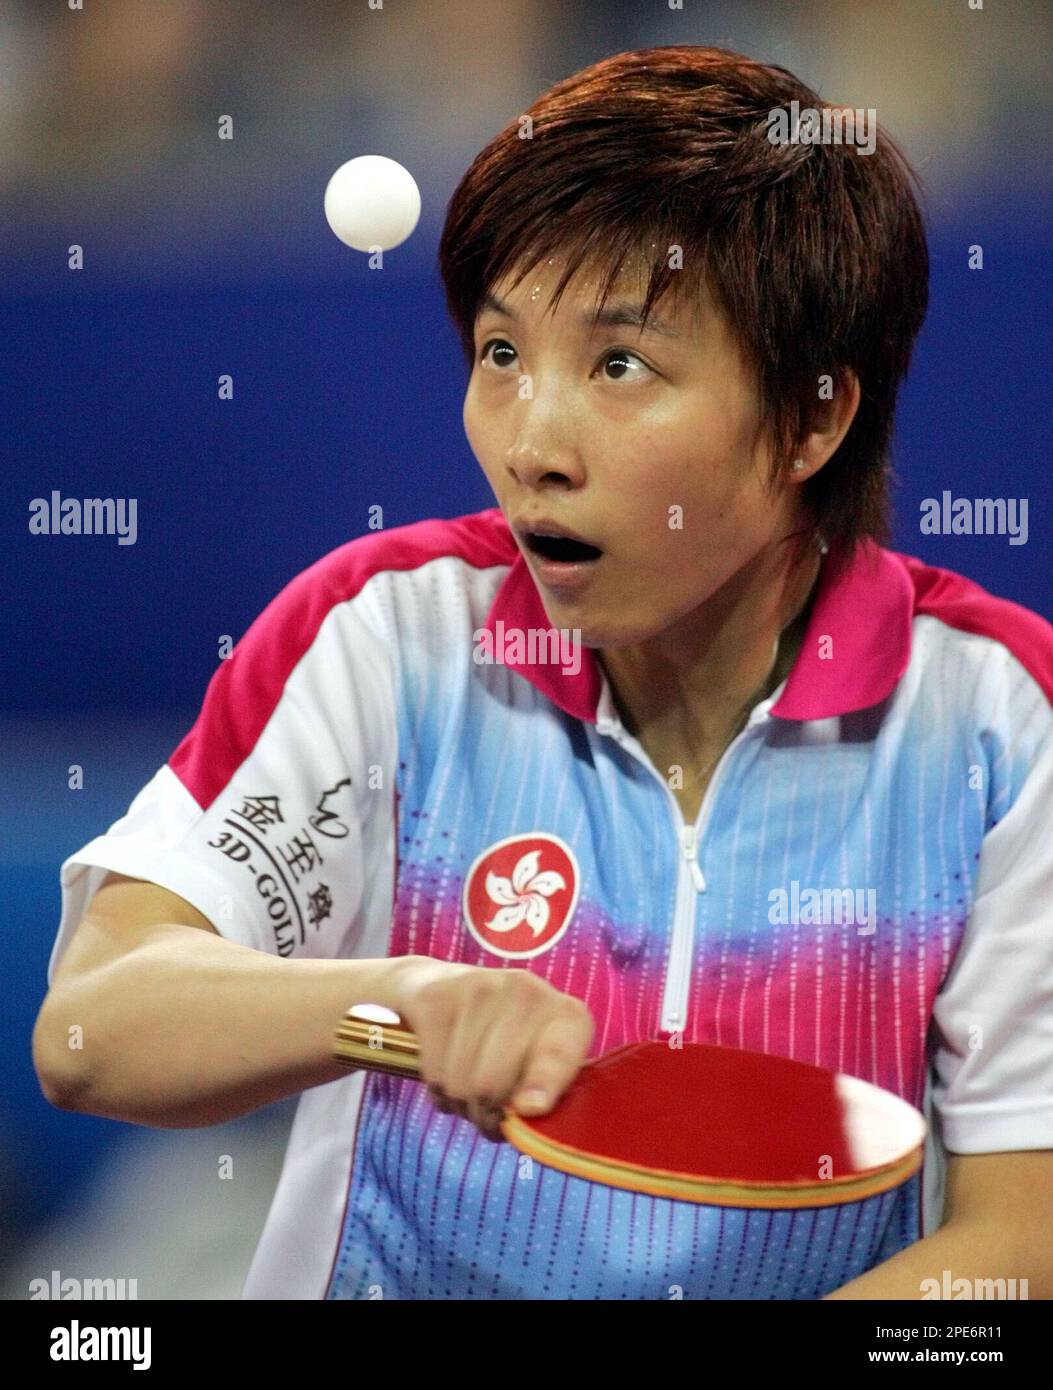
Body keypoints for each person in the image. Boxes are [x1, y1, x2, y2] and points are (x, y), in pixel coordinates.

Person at [33, 45, 1053, 1300]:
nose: (531, 445)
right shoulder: (386, 636)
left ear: (812, 416)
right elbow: (91, 1028)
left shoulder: (1000, 722)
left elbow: (1019, 1244)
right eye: (502, 354)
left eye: (619, 365)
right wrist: (393, 1004)